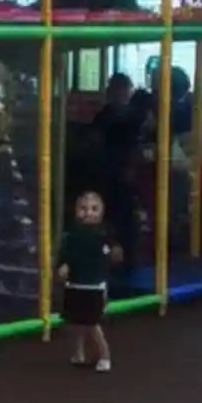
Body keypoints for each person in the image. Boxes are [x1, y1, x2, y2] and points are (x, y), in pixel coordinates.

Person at [91, 73, 149, 286]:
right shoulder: (119, 115)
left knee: (118, 219)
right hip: (116, 174)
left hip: (112, 174)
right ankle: (121, 263)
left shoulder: (109, 115)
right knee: (119, 220)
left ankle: (120, 262)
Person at [56, 191, 119, 373]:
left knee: (92, 322)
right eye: (83, 208)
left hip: (94, 286)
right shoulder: (71, 235)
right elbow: (65, 255)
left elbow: (112, 254)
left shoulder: (103, 234)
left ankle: (105, 354)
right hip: (75, 284)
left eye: (93, 209)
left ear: (101, 212)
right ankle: (78, 353)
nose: (88, 213)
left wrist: (114, 253)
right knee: (75, 321)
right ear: (76, 211)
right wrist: (63, 266)